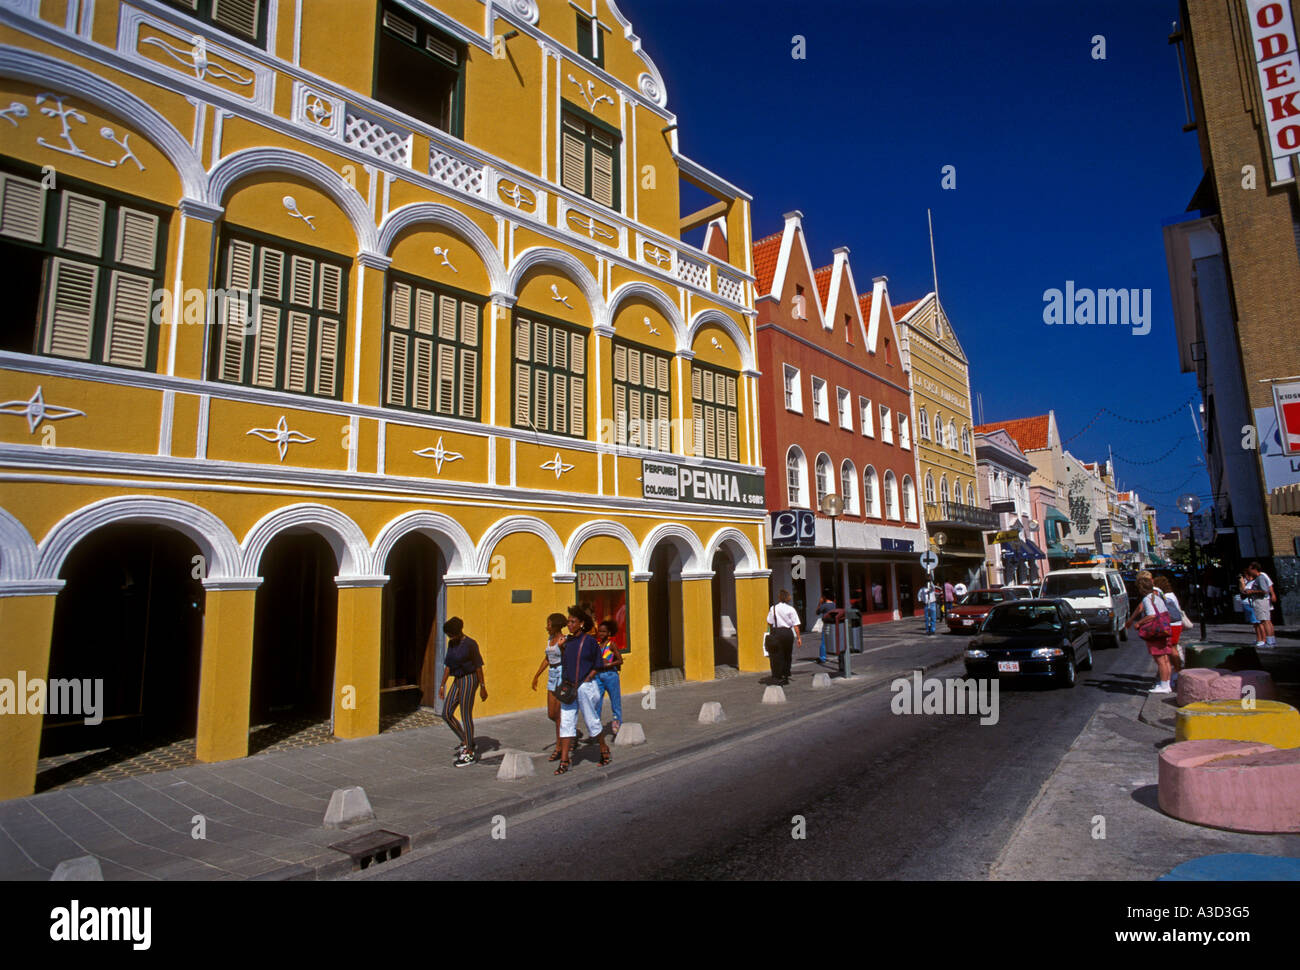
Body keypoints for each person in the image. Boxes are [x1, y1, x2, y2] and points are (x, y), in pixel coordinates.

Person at [554, 605, 609, 774]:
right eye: (568, 622)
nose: (569, 625)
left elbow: (598, 664)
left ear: (581, 623)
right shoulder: (567, 642)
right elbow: (565, 664)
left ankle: (603, 749)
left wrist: (587, 678)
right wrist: (562, 648)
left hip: (585, 687)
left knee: (591, 721)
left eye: (573, 622)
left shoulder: (590, 641)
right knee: (566, 723)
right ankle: (564, 760)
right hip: (570, 688)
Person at [439, 617, 488, 766]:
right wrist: (442, 685)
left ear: (458, 632)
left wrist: (483, 686)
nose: (449, 637)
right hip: (457, 679)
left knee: (465, 713)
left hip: (469, 679)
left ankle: (469, 752)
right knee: (446, 713)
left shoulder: (470, 644)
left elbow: (478, 666)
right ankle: (467, 740)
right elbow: (448, 665)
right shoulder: (451, 644)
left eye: (450, 634)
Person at [1125, 575, 1175, 693]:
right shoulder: (1156, 596)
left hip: (1156, 632)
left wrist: (1138, 624)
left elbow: (1151, 615)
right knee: (1165, 658)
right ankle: (1166, 683)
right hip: (1165, 629)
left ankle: (1163, 686)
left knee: (1160, 659)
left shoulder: (1147, 599)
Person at [530, 612, 568, 761]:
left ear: (555, 626)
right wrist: (537, 675)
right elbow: (547, 658)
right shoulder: (550, 639)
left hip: (561, 673)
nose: (547, 627)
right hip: (552, 674)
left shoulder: (562, 640)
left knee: (558, 715)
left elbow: (567, 658)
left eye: (549, 624)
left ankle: (559, 747)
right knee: (551, 714)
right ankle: (568, 733)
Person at [1152, 576, 1186, 680]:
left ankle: (1177, 671)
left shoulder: (1165, 596)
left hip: (1173, 624)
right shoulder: (1170, 594)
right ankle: (1175, 671)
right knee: (1173, 648)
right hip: (1176, 623)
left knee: (1172, 648)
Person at [593, 619, 623, 735]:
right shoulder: (597, 645)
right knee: (597, 702)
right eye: (600, 632)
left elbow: (620, 660)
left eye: (604, 632)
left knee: (615, 702)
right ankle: (596, 729)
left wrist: (609, 664)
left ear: (609, 633)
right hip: (598, 676)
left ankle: (617, 725)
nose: (601, 634)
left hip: (611, 675)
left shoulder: (612, 645)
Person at [765, 589, 801, 686]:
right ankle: (786, 675)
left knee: (776, 654)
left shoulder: (773, 608)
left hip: (777, 632)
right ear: (788, 598)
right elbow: (796, 625)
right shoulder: (791, 609)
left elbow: (769, 622)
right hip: (788, 633)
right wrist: (798, 638)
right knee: (787, 654)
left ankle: (777, 675)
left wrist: (768, 633)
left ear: (779, 597)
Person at [1247, 562, 1278, 648]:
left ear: (1254, 569)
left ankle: (1269, 642)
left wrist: (1252, 591)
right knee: (1267, 621)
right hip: (1263, 601)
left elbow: (1264, 590)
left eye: (1250, 569)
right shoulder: (1260, 577)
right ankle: (1271, 641)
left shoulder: (1260, 578)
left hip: (1261, 601)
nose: (1249, 571)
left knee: (1265, 621)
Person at [815, 590, 836, 664]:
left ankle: (822, 658)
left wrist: (820, 602)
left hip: (826, 624)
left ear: (824, 597)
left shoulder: (824, 605)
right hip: (834, 625)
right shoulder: (834, 604)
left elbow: (817, 612)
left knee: (823, 642)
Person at [1239, 570, 1260, 643]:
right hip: (1247, 603)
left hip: (1252, 603)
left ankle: (1261, 639)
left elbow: (1245, 591)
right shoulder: (1246, 582)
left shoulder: (1253, 582)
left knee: (1257, 622)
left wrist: (1242, 582)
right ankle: (1258, 638)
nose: (1245, 577)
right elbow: (1241, 590)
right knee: (1254, 623)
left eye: (1246, 576)